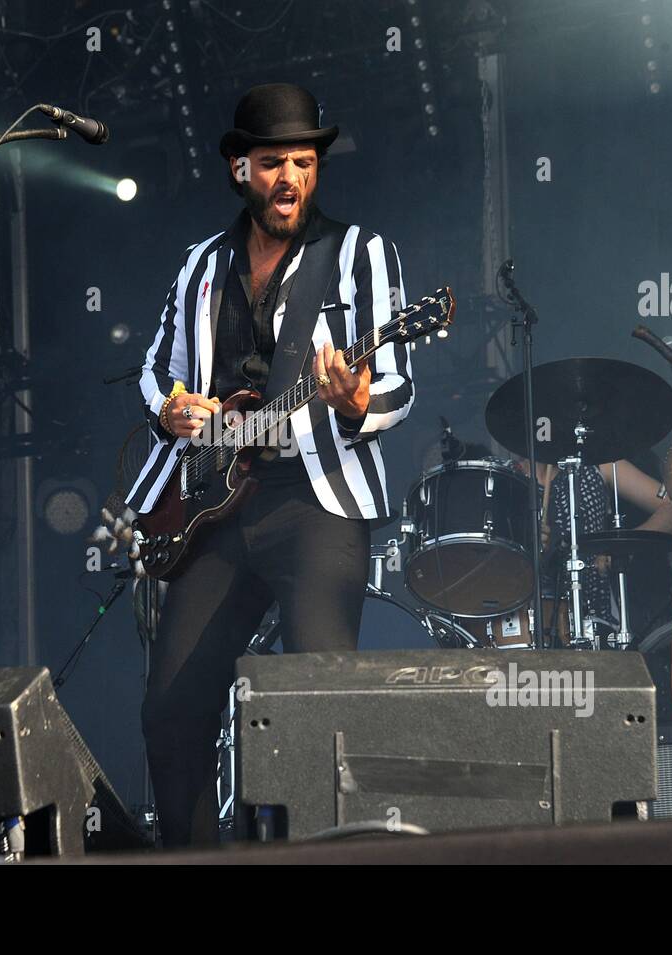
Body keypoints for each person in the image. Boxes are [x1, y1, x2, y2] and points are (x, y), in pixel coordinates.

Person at [125, 83, 414, 846]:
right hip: (215, 509)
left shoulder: (360, 254)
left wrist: (353, 399)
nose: (291, 177)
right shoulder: (199, 266)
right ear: (238, 168)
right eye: (273, 161)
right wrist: (172, 407)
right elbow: (156, 367)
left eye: (304, 160)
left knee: (318, 706)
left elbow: (397, 384)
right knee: (171, 710)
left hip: (314, 500)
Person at [516, 456, 672, 634]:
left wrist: (624, 546)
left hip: (596, 621)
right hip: (522, 623)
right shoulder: (502, 478)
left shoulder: (602, 466)